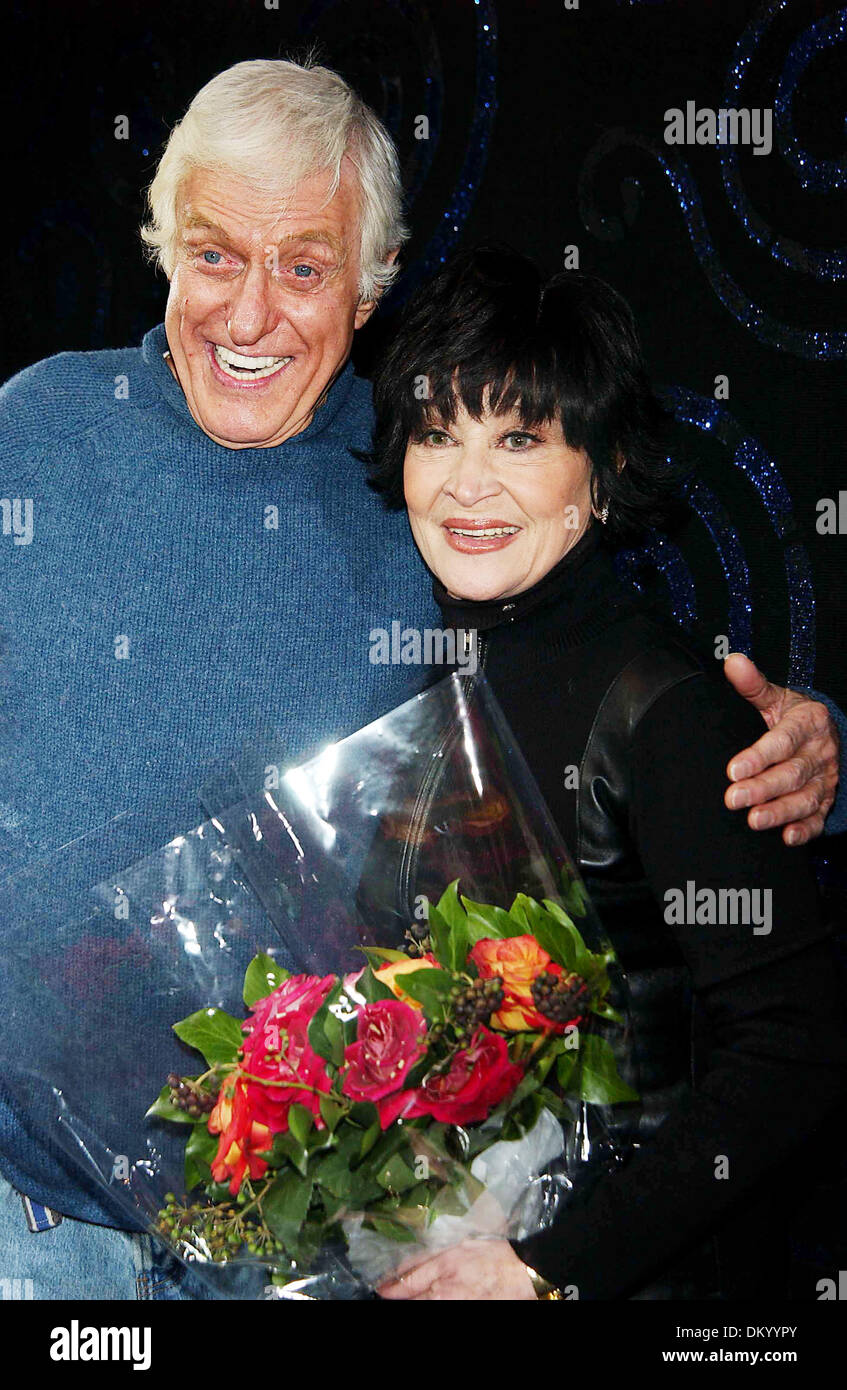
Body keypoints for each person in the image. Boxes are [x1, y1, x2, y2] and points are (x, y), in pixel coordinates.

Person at [0, 59, 843, 1300]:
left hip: (315, 1242)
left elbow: (621, 665)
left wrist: (813, 739)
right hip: (32, 1223)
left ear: (372, 282)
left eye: (303, 266)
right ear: (161, 249)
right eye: (214, 254)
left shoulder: (403, 477)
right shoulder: (34, 429)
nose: (247, 317)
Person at [368, 245, 847, 1300]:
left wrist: (545, 1272)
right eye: (437, 432)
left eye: (520, 438)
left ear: (604, 466)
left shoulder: (671, 710)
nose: (466, 482)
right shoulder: (420, 679)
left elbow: (791, 1056)